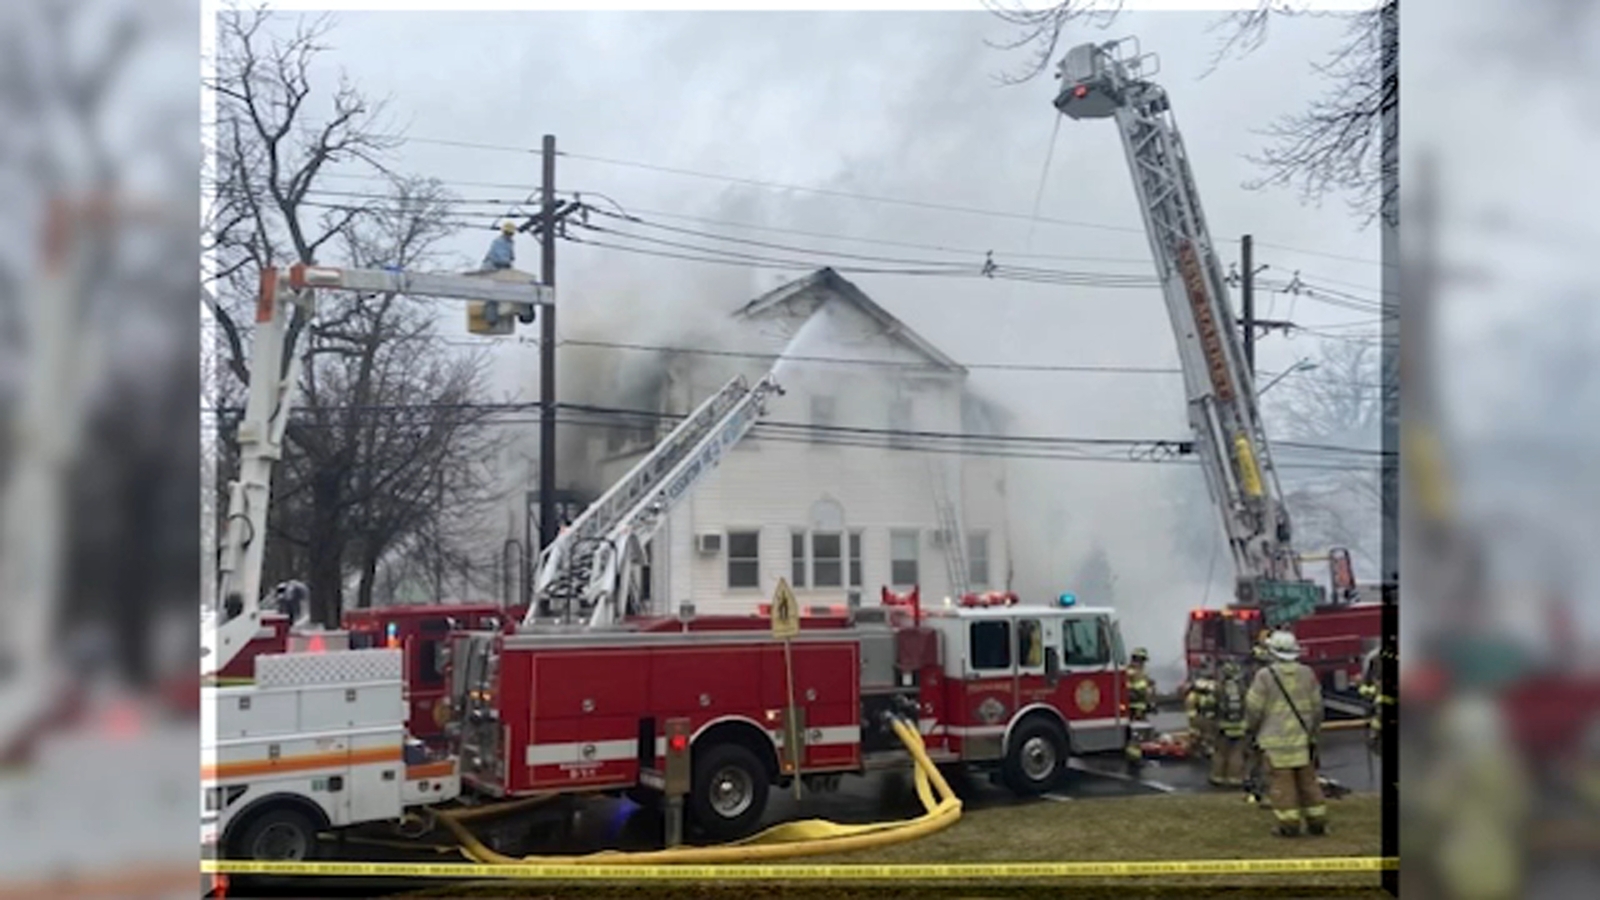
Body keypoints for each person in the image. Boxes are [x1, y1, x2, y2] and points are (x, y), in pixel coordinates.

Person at [1245, 630, 1327, 836]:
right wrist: (1313, 732)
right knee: (1308, 781)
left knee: (1283, 784)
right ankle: (1317, 822)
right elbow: (1318, 707)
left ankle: (1289, 826)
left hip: (1274, 743)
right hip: (1302, 740)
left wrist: (1252, 730)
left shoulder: (1265, 676)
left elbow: (1254, 708)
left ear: (1272, 652)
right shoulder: (1307, 673)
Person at [1211, 659, 1249, 787]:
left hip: (1222, 725)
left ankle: (1218, 776)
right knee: (1237, 752)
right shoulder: (1242, 688)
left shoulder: (1219, 688)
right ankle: (1235, 778)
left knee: (1220, 752)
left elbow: (1211, 707)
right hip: (1239, 726)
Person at [1124, 646, 1155, 768]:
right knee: (1136, 735)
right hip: (1136, 708)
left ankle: (1133, 755)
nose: (1143, 664)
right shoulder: (1135, 673)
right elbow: (1138, 690)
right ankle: (1134, 759)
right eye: (1142, 661)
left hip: (1136, 707)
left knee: (1134, 734)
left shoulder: (1130, 671)